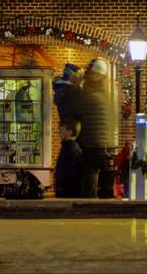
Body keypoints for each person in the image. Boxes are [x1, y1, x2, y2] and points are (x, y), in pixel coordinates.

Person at [61, 57, 119, 198]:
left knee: (88, 180)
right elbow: (112, 123)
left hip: (90, 145)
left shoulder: (86, 95)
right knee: (103, 184)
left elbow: (70, 111)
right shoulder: (107, 95)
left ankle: (89, 206)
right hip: (105, 146)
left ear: (93, 75)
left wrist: (74, 86)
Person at [54, 118, 83, 198]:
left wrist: (61, 185)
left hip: (67, 192)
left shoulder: (71, 149)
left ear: (69, 132)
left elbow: (70, 171)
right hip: (65, 190)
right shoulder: (69, 147)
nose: (59, 132)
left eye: (61, 130)